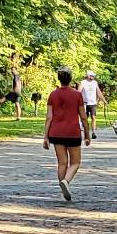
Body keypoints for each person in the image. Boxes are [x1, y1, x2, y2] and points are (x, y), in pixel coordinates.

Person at [44, 69, 91, 201]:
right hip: (73, 133)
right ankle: (66, 181)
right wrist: (87, 134)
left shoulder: (52, 95)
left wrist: (45, 137)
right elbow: (83, 117)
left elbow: (49, 117)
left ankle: (62, 188)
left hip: (56, 132)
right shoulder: (77, 95)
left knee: (62, 163)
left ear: (59, 79)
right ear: (70, 79)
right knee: (75, 162)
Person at [78, 70, 104, 139]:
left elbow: (98, 92)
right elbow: (78, 92)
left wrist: (104, 100)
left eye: (93, 76)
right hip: (85, 104)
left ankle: (93, 133)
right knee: (84, 119)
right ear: (88, 76)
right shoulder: (83, 82)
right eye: (92, 75)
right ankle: (86, 133)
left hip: (93, 103)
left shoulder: (95, 83)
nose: (93, 77)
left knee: (93, 117)